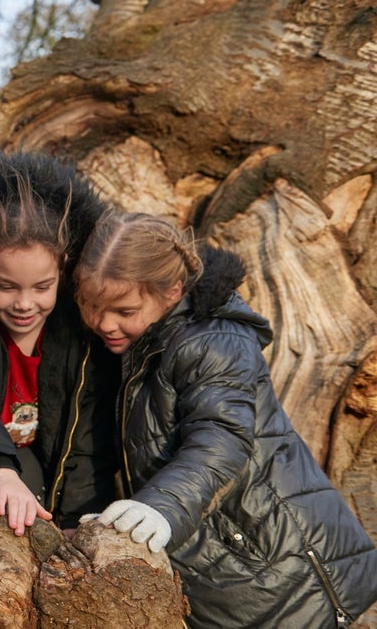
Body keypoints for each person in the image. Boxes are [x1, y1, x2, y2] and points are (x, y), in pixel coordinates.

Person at [73, 211, 377, 627]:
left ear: (172, 291)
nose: (104, 323)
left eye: (123, 309)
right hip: (226, 568)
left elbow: (222, 438)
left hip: (281, 567)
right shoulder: (141, 343)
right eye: (91, 305)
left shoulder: (213, 341)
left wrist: (162, 507)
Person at [0, 154, 118, 537]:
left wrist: (78, 521)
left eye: (42, 288)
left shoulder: (81, 337)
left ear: (63, 271)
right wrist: (2, 472)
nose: (25, 304)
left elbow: (86, 440)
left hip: (56, 487)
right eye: (6, 287)